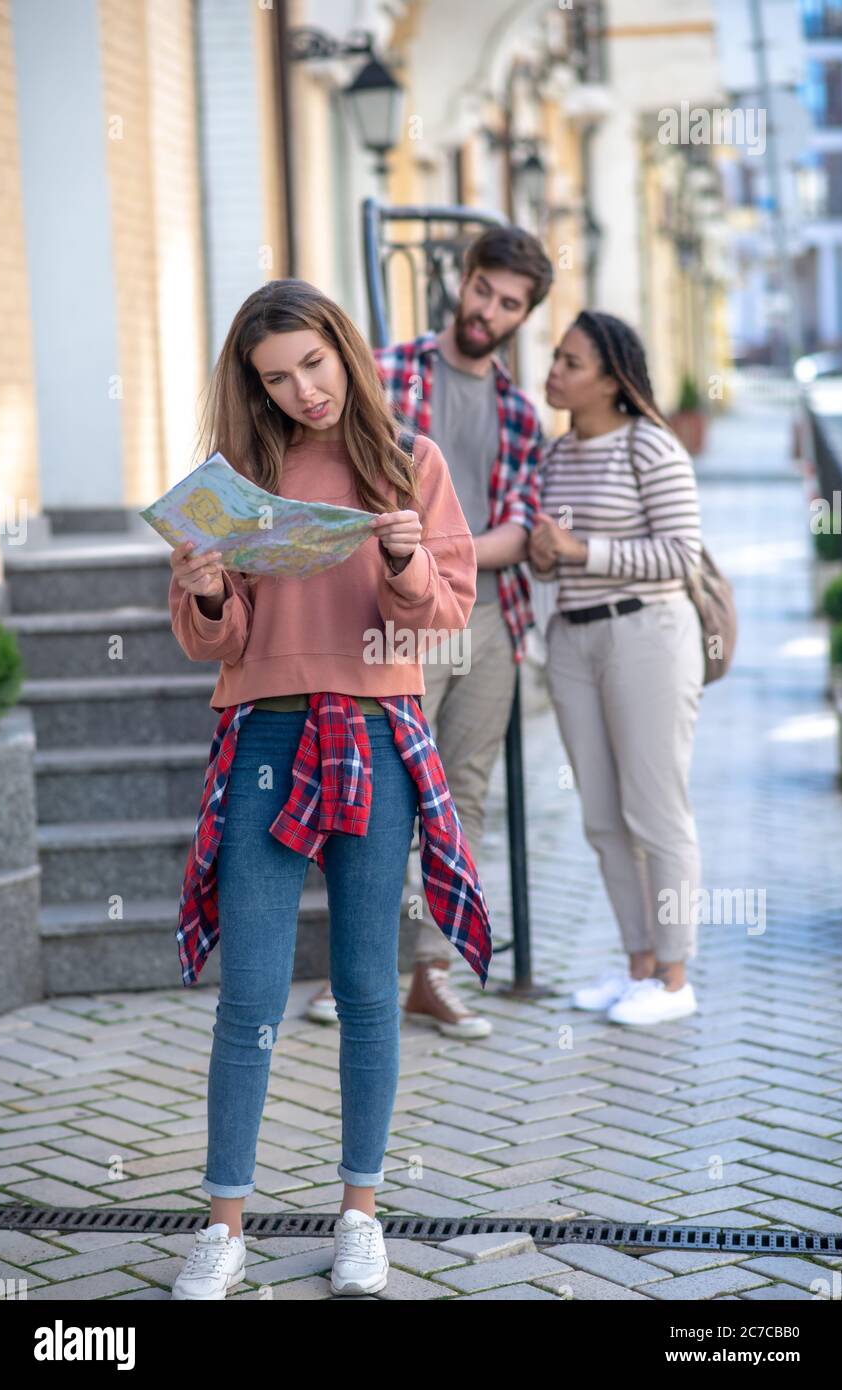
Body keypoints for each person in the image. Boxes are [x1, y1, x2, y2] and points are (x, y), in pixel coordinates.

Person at [166, 278, 489, 1298]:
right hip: (265, 731)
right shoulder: (239, 481)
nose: (302, 388)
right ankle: (223, 1226)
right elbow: (208, 640)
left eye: (313, 361)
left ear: (343, 351)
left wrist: (399, 560)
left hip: (377, 732)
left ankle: (360, 1214)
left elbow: (443, 616)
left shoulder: (409, 465)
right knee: (252, 988)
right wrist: (211, 587)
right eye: (276, 376)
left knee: (364, 986)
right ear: (253, 389)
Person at [305, 225, 552, 1039]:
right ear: (464, 279)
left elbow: (520, 531)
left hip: (486, 619)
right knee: (376, 792)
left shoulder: (520, 412)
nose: (489, 310)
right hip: (395, 609)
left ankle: (432, 974)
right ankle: (358, 974)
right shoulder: (389, 369)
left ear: (523, 316)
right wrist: (430, 557)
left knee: (463, 796)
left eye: (509, 304)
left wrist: (444, 550)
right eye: (483, 289)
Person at [528, 310, 705, 1026]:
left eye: (571, 362)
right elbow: (551, 552)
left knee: (656, 812)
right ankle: (637, 965)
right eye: (556, 358)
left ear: (610, 378)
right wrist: (548, 556)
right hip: (573, 642)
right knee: (603, 817)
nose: (555, 372)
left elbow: (680, 556)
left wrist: (581, 552)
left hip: (647, 635)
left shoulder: (652, 447)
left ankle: (674, 978)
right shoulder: (555, 455)